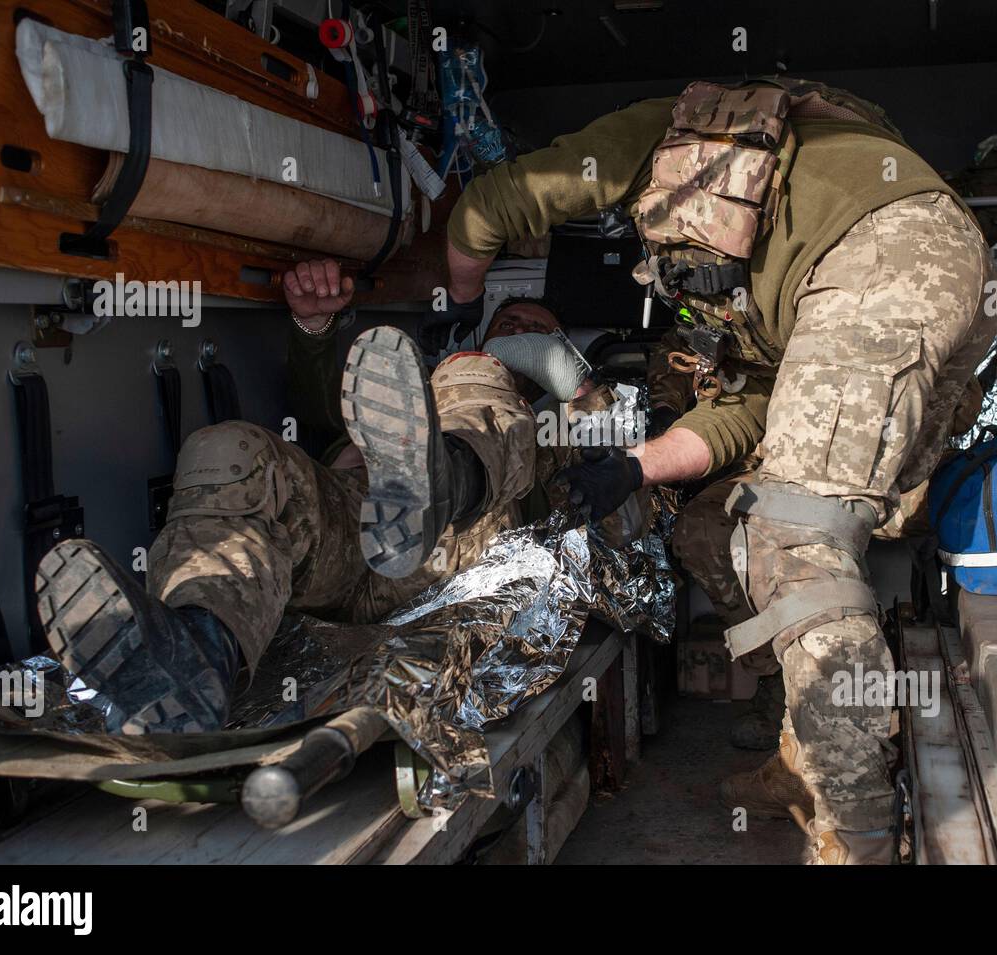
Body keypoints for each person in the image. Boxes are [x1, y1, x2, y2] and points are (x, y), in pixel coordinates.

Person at [424, 78, 997, 863]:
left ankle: (856, 831)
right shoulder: (756, 288)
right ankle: (805, 759)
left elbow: (498, 202)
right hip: (944, 271)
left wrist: (461, 301)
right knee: (813, 536)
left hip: (887, 263)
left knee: (796, 541)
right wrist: (637, 465)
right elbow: (748, 408)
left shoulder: (663, 133)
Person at [32, 259, 617, 735]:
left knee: (474, 385)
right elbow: (315, 415)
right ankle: (195, 654)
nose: (515, 332)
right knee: (228, 447)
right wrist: (314, 329)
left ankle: (440, 485)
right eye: (507, 323)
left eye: (532, 329)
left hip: (444, 556)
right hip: (346, 539)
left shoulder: (547, 422)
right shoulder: (403, 391)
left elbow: (611, 443)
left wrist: (568, 379)